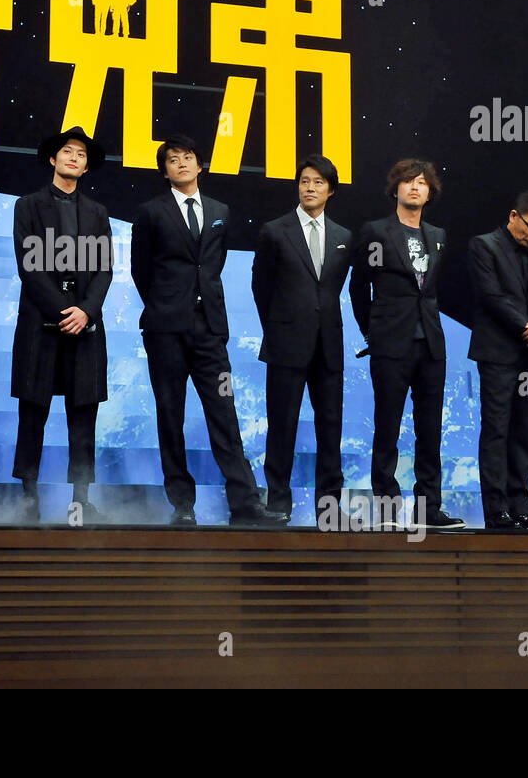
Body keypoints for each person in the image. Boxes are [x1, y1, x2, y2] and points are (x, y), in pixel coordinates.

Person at [130, 135, 286, 527]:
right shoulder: (150, 212)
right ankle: (182, 503)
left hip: (210, 333)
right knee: (171, 414)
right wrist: (168, 305)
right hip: (166, 330)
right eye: (172, 159)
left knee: (225, 412)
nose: (181, 163)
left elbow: (212, 265)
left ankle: (245, 503)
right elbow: (141, 270)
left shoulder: (220, 210)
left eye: (188, 157)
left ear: (201, 165)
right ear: (163, 169)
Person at [349, 159, 465, 529]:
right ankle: (386, 507)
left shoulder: (439, 236)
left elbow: (429, 291)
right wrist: (373, 333)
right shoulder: (375, 232)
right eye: (407, 181)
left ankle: (429, 508)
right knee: (388, 426)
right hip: (389, 343)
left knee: (429, 429)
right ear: (395, 188)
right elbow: (358, 287)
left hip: (430, 343)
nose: (414, 187)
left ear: (430, 191)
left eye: (421, 182)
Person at [11, 127, 114, 522]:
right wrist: (61, 311)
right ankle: (27, 495)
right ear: (53, 159)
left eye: (81, 155)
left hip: (85, 326)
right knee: (32, 409)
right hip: (41, 322)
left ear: (87, 167)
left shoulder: (98, 212)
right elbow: (29, 266)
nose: (74, 158)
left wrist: (86, 311)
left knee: (84, 411)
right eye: (67, 152)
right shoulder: (29, 205)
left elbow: (105, 269)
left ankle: (81, 497)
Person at [252, 154, 353, 529]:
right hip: (285, 344)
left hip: (329, 346)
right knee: (282, 425)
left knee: (331, 427)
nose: (309, 188)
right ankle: (278, 501)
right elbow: (261, 286)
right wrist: (279, 326)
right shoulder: (274, 231)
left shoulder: (344, 237)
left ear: (330, 190)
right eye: (304, 181)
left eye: (317, 183)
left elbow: (332, 290)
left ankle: (330, 507)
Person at [468, 190, 528, 530]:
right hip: (497, 355)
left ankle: (522, 506)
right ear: (513, 216)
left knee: (524, 432)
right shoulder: (484, 246)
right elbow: (493, 298)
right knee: (496, 430)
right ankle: (497, 511)